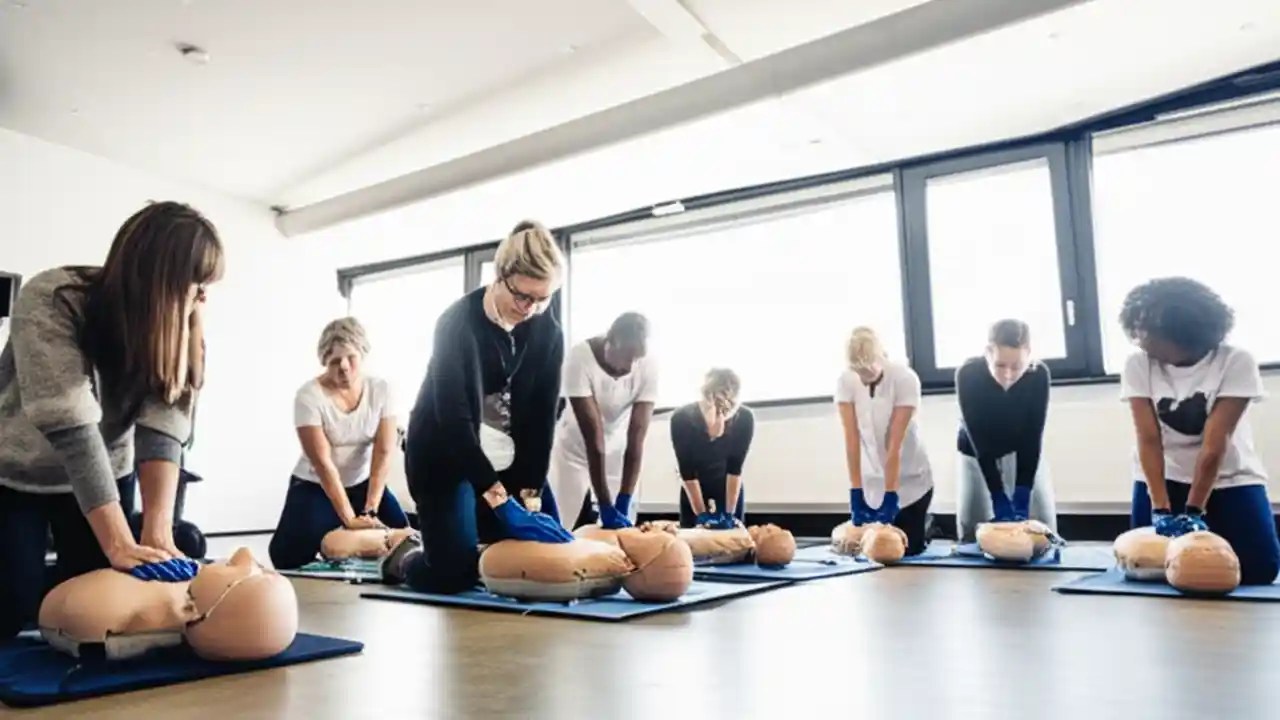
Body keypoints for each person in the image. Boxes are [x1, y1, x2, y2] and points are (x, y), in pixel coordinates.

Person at [0, 201, 223, 640]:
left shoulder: (178, 328)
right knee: (13, 605)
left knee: (97, 609)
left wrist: (157, 531)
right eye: (196, 282)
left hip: (107, 470)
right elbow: (71, 425)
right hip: (16, 474)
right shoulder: (52, 298)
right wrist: (118, 541)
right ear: (159, 279)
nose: (203, 297)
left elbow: (163, 428)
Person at [383, 220, 573, 594]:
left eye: (543, 298)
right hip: (445, 456)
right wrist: (500, 501)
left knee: (550, 551)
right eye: (523, 296)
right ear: (500, 276)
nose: (532, 308)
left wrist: (529, 496)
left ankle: (482, 532)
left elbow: (541, 419)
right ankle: (405, 556)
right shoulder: (457, 325)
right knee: (452, 572)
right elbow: (455, 423)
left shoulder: (547, 330)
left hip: (507, 453)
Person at [1120, 277, 1279, 585]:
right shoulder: (1138, 364)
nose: (1138, 338)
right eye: (1135, 328)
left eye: (1146, 329)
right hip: (1160, 479)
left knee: (1259, 569)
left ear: (1181, 331)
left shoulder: (1235, 361)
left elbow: (1215, 444)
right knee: (1147, 569)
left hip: (1227, 477)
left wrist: (1194, 510)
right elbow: (1149, 440)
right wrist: (1161, 508)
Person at [268, 317, 410, 570]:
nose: (343, 367)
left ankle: (361, 540)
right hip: (315, 485)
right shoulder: (308, 396)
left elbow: (384, 451)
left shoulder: (382, 389)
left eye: (350, 358)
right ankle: (354, 538)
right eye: (334, 361)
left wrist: (370, 511)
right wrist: (349, 519)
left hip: (363, 484)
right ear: (324, 363)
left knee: (407, 536)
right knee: (287, 556)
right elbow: (323, 464)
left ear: (362, 355)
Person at [548, 312, 657, 531]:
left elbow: (636, 438)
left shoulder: (647, 365)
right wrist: (605, 505)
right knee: (561, 523)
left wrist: (624, 498)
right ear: (611, 341)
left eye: (636, 360)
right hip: (575, 449)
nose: (630, 366)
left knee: (623, 529)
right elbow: (594, 440)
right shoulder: (579, 358)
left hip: (617, 449)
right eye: (626, 357)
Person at [954, 319, 1055, 542]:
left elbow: (1033, 435)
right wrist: (997, 494)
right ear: (988, 353)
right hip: (976, 451)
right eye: (1000, 366)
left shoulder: (1038, 375)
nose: (1008, 375)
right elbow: (980, 441)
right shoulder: (968, 374)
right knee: (973, 525)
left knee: (1042, 524)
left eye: (1016, 366)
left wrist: (1022, 491)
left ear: (1028, 355)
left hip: (1020, 449)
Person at [835, 327, 933, 555]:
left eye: (867, 368)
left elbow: (894, 445)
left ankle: (927, 524)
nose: (863, 375)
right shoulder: (846, 380)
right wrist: (856, 491)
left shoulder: (904, 378)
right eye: (857, 370)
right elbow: (851, 440)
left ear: (880, 356)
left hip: (910, 480)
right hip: (872, 481)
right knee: (868, 550)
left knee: (905, 549)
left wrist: (891, 495)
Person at [670, 368, 755, 529]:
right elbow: (687, 472)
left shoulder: (744, 418)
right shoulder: (681, 419)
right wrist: (701, 515)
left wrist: (729, 515)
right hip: (694, 484)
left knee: (733, 541)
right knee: (692, 540)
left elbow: (734, 469)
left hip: (726, 482)